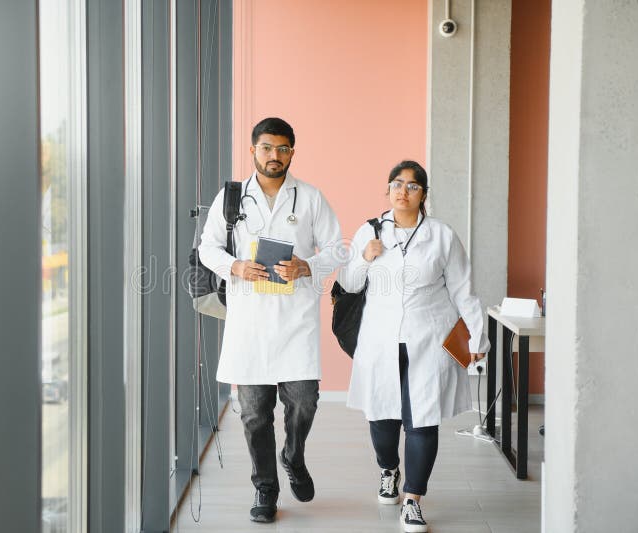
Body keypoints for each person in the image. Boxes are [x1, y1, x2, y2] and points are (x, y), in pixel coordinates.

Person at [198, 117, 343, 523]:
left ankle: (292, 457)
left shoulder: (309, 197)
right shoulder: (231, 198)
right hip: (248, 324)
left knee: (304, 402)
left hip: (295, 320)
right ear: (253, 150)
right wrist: (235, 266)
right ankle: (265, 487)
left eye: (282, 148)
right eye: (266, 147)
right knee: (254, 415)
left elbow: (338, 247)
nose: (274, 155)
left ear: (292, 152)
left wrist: (307, 265)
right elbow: (208, 247)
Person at [339, 160, 490, 533]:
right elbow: (349, 284)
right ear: (387, 189)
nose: (403, 191)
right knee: (382, 417)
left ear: (424, 194)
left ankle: (413, 500)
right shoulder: (369, 231)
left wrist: (478, 335)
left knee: (422, 418)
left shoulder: (442, 235)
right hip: (380, 340)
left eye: (412, 186)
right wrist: (365, 257)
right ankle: (388, 469)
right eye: (397, 184)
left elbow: (463, 289)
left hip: (428, 338)